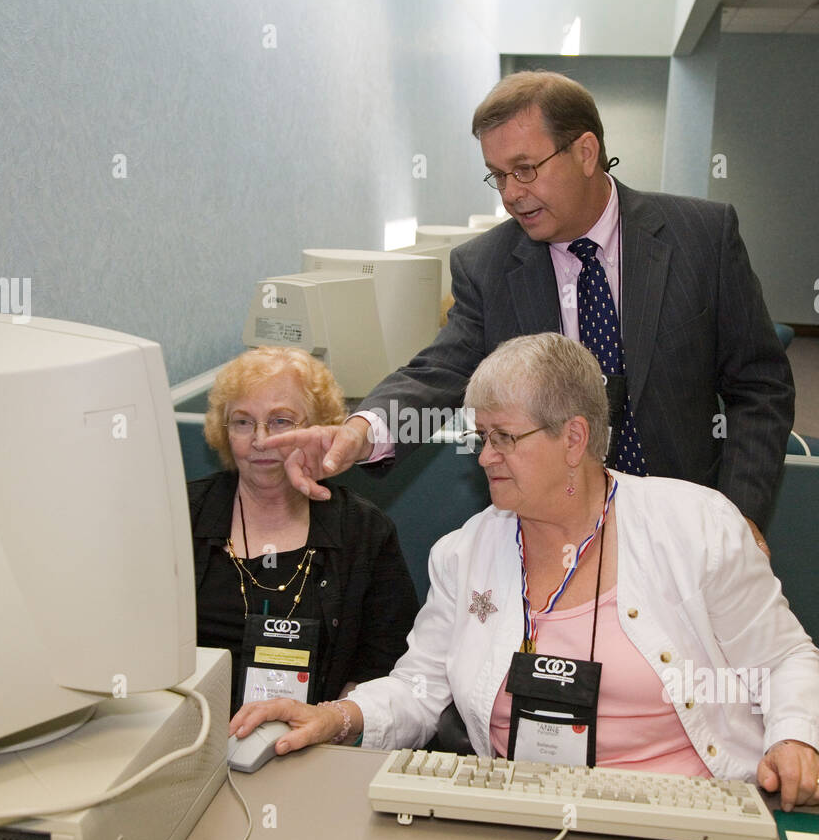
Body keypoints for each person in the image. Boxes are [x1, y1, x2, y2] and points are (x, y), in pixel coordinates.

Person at [232, 334, 819, 812]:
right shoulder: (466, 553)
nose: (484, 456)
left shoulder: (695, 526)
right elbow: (420, 689)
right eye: (480, 437)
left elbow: (784, 660)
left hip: (683, 813)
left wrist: (795, 738)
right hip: (523, 818)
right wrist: (337, 717)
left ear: (574, 437)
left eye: (504, 438)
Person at [260, 71, 792, 556]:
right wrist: (361, 430)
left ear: (586, 152)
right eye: (497, 176)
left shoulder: (700, 237)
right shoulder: (486, 266)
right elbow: (441, 369)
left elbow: (759, 388)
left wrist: (739, 515)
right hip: (547, 532)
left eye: (525, 169)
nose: (512, 195)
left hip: (685, 529)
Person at [189, 346, 418, 713]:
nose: (261, 440)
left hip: (316, 741)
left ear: (319, 428)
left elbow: (385, 665)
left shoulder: (363, 531)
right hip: (194, 732)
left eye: (281, 421)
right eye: (243, 422)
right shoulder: (184, 517)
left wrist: (329, 726)